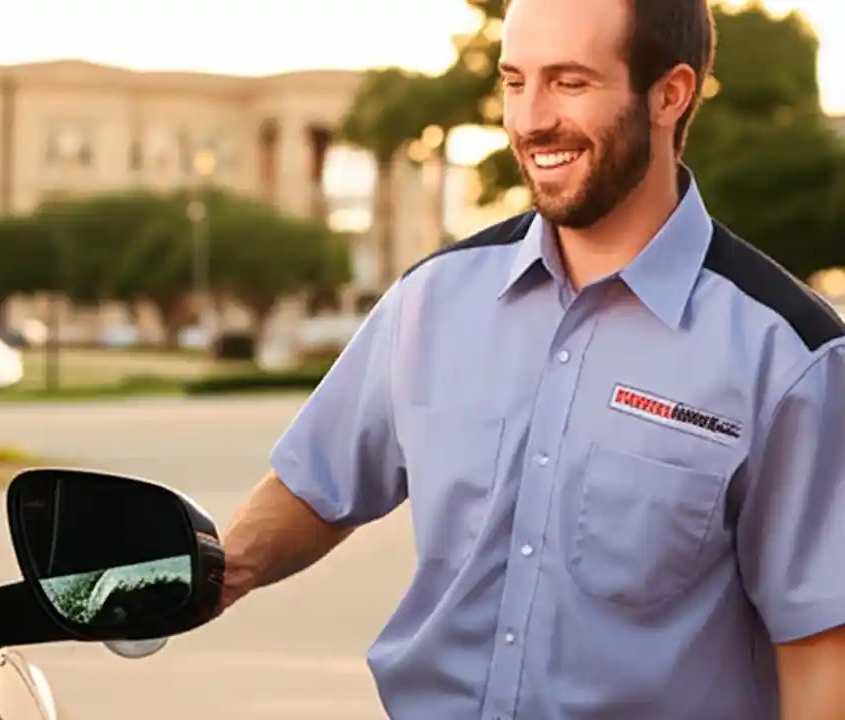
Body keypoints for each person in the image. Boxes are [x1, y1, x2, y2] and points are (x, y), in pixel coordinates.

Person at [217, 0, 845, 717]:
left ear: (670, 95)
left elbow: (823, 658)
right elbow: (317, 483)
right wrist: (214, 572)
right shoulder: (433, 301)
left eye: (570, 82)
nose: (530, 118)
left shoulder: (790, 355)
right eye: (516, 82)